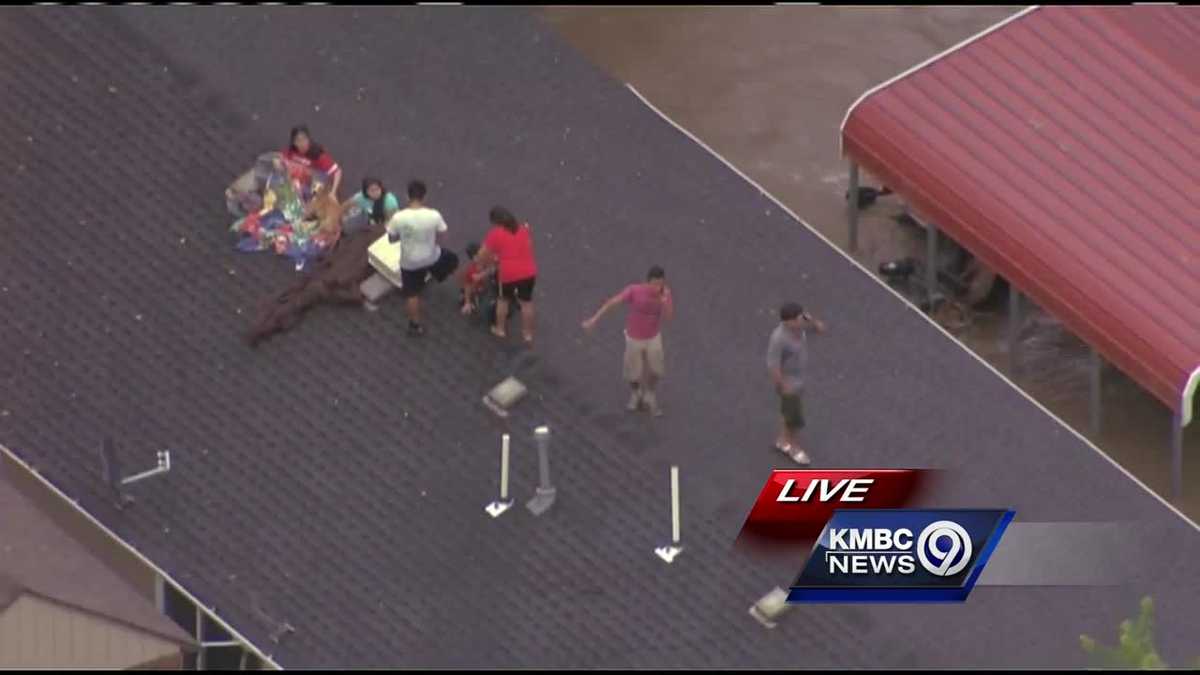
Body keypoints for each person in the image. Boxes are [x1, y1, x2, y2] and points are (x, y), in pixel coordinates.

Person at [582, 266, 674, 416]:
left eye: (661, 284)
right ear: (647, 282)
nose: (658, 288)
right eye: (655, 284)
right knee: (632, 374)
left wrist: (664, 301)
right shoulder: (634, 290)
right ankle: (636, 393)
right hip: (634, 338)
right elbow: (612, 303)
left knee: (657, 370)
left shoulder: (665, 294)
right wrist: (594, 320)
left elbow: (669, 317)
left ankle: (649, 394)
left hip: (653, 337)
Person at [386, 179, 458, 337]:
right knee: (452, 261)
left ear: (407, 196)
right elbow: (444, 235)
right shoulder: (434, 215)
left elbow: (391, 239)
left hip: (409, 262)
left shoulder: (399, 217)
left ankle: (415, 325)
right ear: (425, 196)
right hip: (431, 257)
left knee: (412, 294)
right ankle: (464, 291)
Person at [766, 302, 828, 465]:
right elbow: (773, 366)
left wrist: (814, 323)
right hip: (788, 384)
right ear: (788, 322)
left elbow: (818, 326)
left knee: (789, 414)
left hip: (799, 379)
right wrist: (783, 386)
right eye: (798, 320)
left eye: (802, 318)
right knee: (795, 419)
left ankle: (782, 440)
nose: (802, 322)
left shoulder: (801, 323)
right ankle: (791, 447)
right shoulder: (778, 339)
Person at [474, 207, 538, 343]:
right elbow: (528, 246)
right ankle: (527, 334)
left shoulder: (495, 234)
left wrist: (484, 262)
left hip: (508, 274)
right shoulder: (523, 229)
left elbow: (482, 254)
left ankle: (500, 329)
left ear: (496, 222)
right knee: (526, 303)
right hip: (528, 272)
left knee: (503, 300)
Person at [283, 125, 343, 203]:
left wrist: (333, 193)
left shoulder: (317, 154)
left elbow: (337, 172)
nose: (302, 143)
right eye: (298, 140)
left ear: (309, 139)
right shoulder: (290, 152)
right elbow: (283, 161)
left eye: (304, 139)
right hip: (297, 185)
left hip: (314, 186)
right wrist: (279, 163)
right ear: (294, 142)